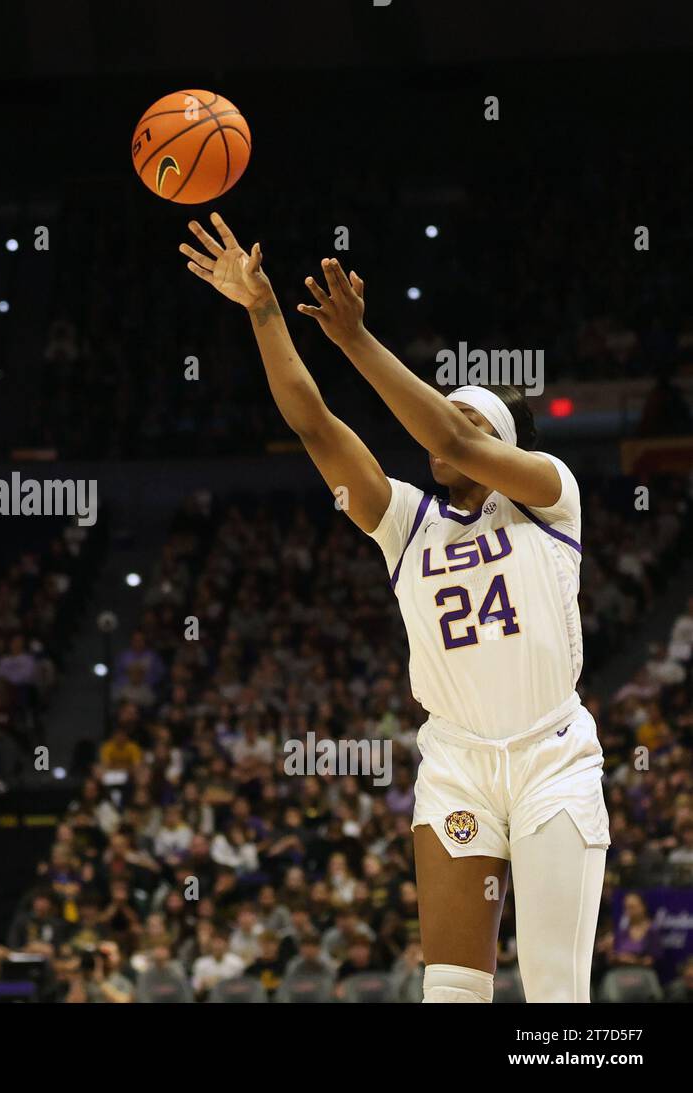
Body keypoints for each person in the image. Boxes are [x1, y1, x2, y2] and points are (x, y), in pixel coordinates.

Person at [181, 213, 608, 1003]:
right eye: (448, 421)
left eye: (471, 423)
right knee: (450, 991)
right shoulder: (406, 522)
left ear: (505, 444)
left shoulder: (551, 498)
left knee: (555, 994)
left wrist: (356, 340)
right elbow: (312, 420)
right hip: (457, 764)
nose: (443, 433)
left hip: (553, 760)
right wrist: (265, 312)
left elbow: (450, 431)